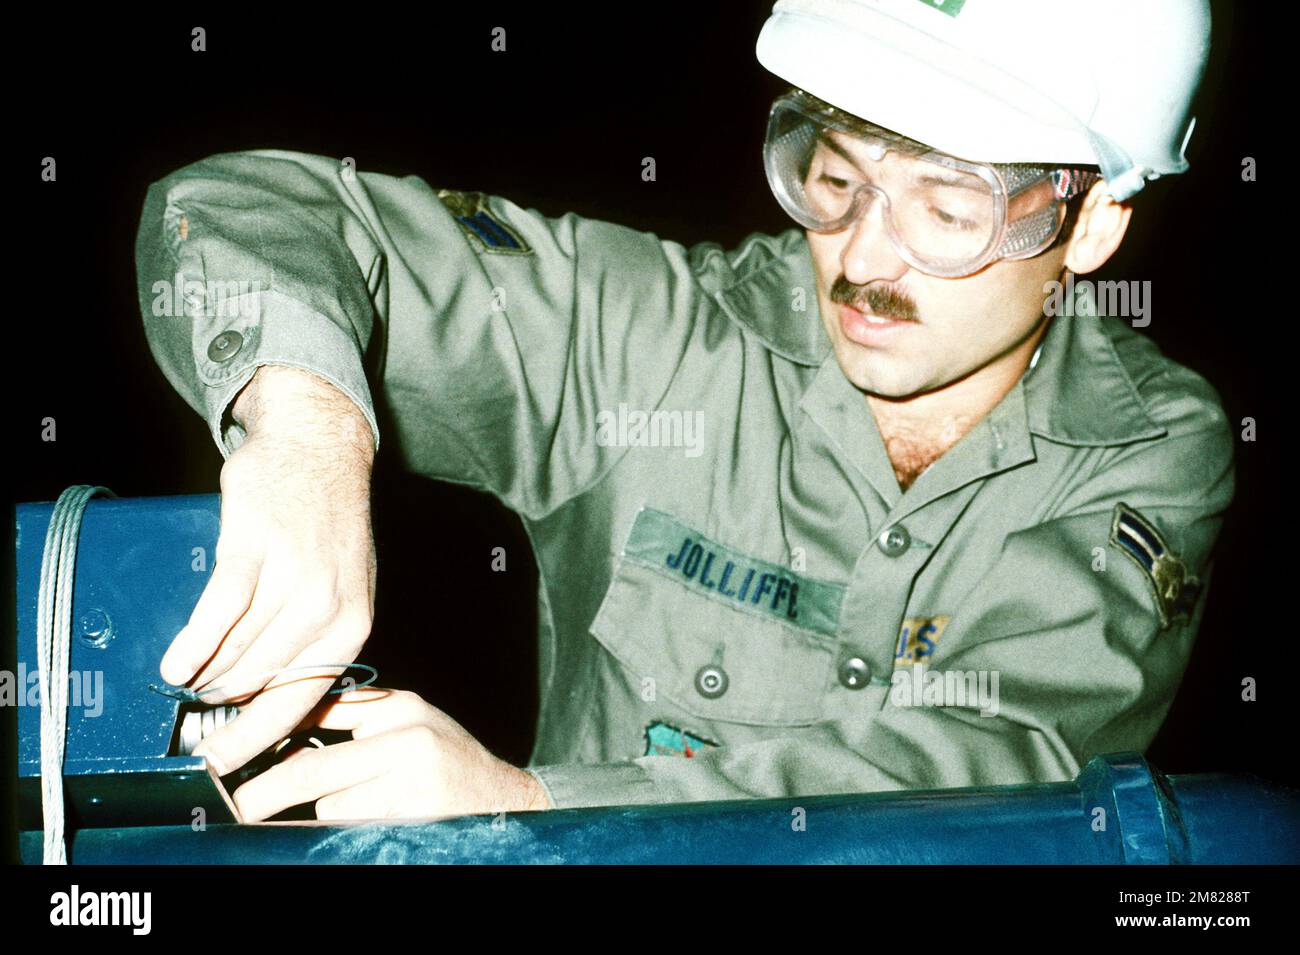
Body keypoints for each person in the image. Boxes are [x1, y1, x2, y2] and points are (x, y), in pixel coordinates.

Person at [133, 0, 1231, 822]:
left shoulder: (1151, 448)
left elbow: (1001, 761)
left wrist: (537, 808)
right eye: (835, 180)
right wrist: (307, 429)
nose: (860, 257)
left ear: (1089, 229)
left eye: (948, 210)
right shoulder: (649, 337)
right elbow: (246, 204)